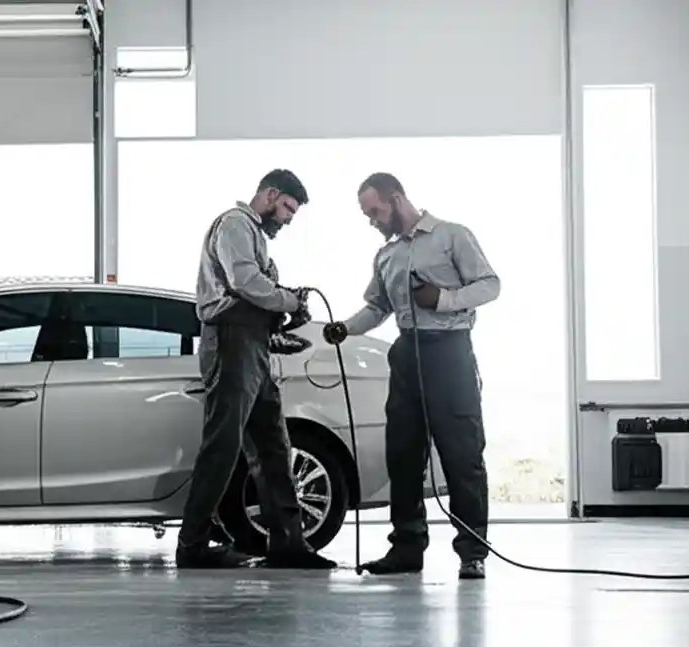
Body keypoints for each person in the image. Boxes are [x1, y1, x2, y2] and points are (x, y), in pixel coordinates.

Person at [322, 172, 499, 580]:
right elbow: (376, 307)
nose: (372, 221)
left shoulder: (451, 235)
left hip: (450, 353)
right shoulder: (386, 256)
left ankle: (472, 552)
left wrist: (444, 299)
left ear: (396, 198)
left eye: (375, 211)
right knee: (402, 456)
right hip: (407, 355)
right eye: (367, 215)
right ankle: (406, 549)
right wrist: (345, 328)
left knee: (462, 456)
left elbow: (490, 284)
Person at [176, 169, 337, 570]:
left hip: (252, 346)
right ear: (270, 194)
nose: (287, 218)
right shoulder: (235, 224)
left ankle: (289, 544)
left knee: (273, 445)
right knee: (223, 445)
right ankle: (192, 544)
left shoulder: (255, 235)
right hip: (230, 341)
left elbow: (254, 292)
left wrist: (278, 327)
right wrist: (288, 301)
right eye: (287, 208)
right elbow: (244, 281)